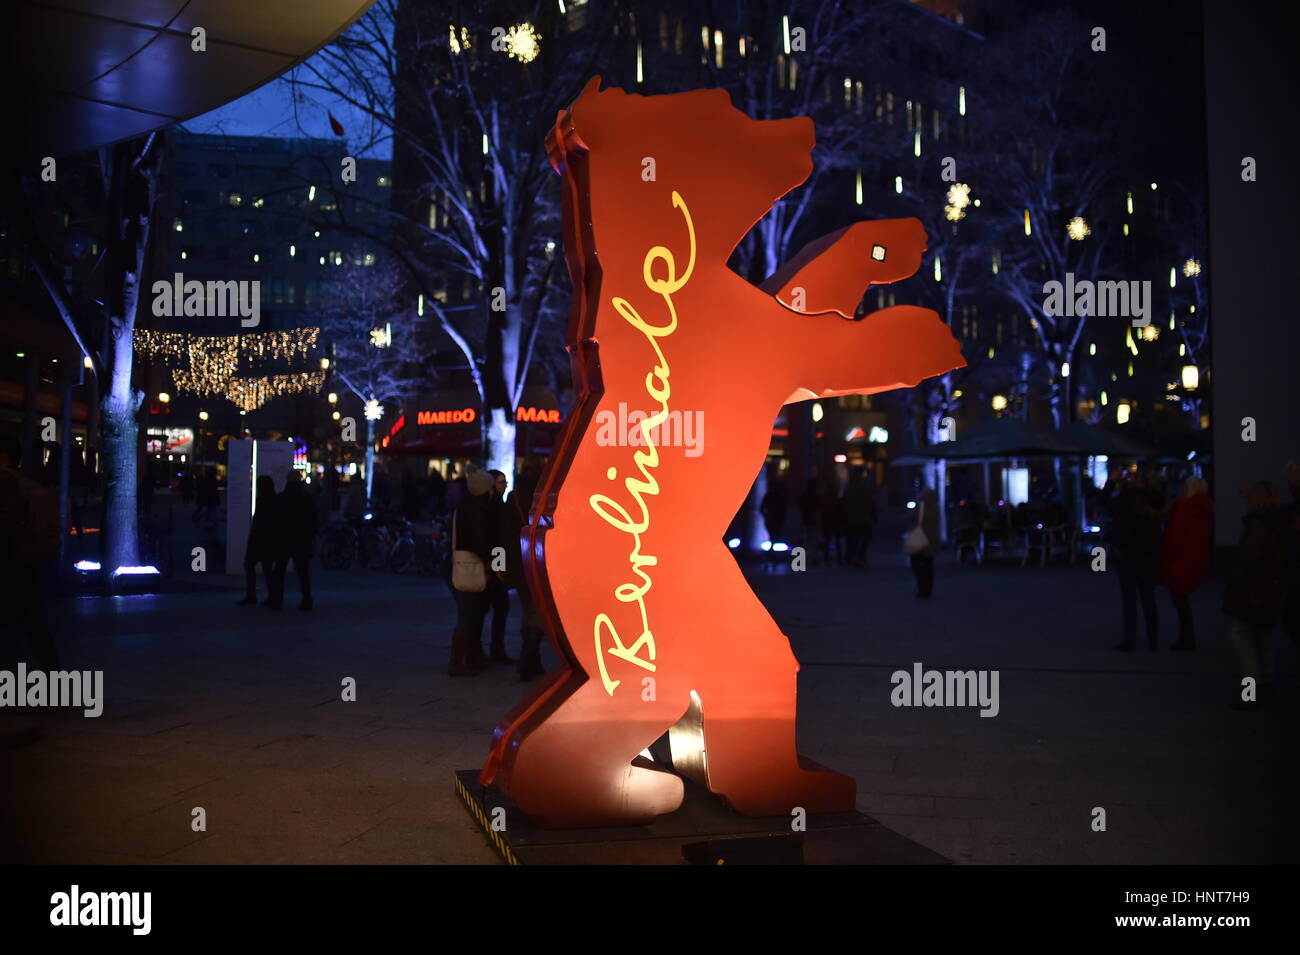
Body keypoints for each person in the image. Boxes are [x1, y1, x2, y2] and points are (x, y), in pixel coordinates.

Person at [1222, 481, 1291, 709]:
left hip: (1253, 590)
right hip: (1270, 589)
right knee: (1262, 638)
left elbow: (1247, 562)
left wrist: (1235, 584)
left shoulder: (1258, 525)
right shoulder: (1280, 523)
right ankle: (1265, 685)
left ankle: (1253, 689)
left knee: (1242, 636)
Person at [0, 432, 61, 671]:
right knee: (37, 629)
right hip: (28, 565)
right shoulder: (33, 487)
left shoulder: (7, 485)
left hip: (10, 563)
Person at [1104, 467, 1166, 651]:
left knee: (1129, 599)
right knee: (1149, 598)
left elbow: (1105, 504)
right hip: (1149, 555)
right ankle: (1153, 640)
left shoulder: (1129, 499)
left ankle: (1130, 640)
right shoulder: (1158, 499)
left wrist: (1112, 482)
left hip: (1128, 554)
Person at [447, 467, 497, 676]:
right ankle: (457, 662)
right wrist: (489, 560)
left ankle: (470, 657)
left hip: (461, 564)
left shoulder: (465, 506)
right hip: (469, 567)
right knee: (468, 615)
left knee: (471, 614)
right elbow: (479, 541)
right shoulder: (477, 510)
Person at [1158, 477, 1214, 650]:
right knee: (1183, 602)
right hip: (1193, 558)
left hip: (1178, 560)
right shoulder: (1204, 509)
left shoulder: (1184, 508)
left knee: (1180, 601)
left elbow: (1175, 538)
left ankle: (1186, 639)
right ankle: (1187, 637)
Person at [502, 463, 545, 680]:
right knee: (538, 609)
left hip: (518, 564)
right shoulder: (545, 501)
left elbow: (502, 536)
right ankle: (529, 656)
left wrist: (500, 566)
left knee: (527, 607)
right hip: (539, 562)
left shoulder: (514, 499)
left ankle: (531, 657)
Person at [273, 473, 318, 611]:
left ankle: (277, 599)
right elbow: (314, 520)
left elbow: (276, 520)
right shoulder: (308, 498)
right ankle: (307, 599)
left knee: (279, 571)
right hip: (302, 539)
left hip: (284, 539)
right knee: (303, 572)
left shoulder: (281, 498)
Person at [483, 468, 514, 665]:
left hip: (493, 564)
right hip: (494, 566)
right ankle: (496, 649)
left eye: (505, 483)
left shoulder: (496, 505)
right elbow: (497, 541)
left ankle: (495, 649)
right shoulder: (494, 508)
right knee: (499, 607)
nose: (504, 486)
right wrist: (499, 567)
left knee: (496, 609)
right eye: (501, 482)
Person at [236, 475, 278, 608]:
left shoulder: (262, 500)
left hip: (258, 538)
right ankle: (271, 595)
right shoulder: (274, 499)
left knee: (250, 565)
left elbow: (259, 520)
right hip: (269, 540)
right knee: (267, 569)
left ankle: (252, 595)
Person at [909, 487, 940, 597]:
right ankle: (928, 589)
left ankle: (922, 588)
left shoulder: (921, 507)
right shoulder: (935, 507)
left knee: (917, 564)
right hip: (931, 541)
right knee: (928, 565)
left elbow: (912, 518)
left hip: (920, 540)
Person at [843, 468, 877, 568]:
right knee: (864, 538)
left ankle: (852, 557)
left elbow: (845, 502)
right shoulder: (862, 486)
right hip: (862, 518)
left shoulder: (850, 487)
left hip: (851, 518)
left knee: (853, 539)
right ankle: (859, 557)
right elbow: (867, 502)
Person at [797, 479, 822, 567]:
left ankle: (802, 559)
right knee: (813, 540)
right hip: (813, 521)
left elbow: (801, 508)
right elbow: (817, 510)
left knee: (806, 540)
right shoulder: (816, 496)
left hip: (805, 520)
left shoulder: (804, 496)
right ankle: (813, 558)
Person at [760, 478, 787, 548]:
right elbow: (762, 508)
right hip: (773, 519)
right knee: (773, 535)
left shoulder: (775, 496)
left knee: (774, 535)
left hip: (775, 519)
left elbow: (783, 508)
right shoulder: (773, 496)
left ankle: (772, 550)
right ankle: (772, 550)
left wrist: (766, 515)